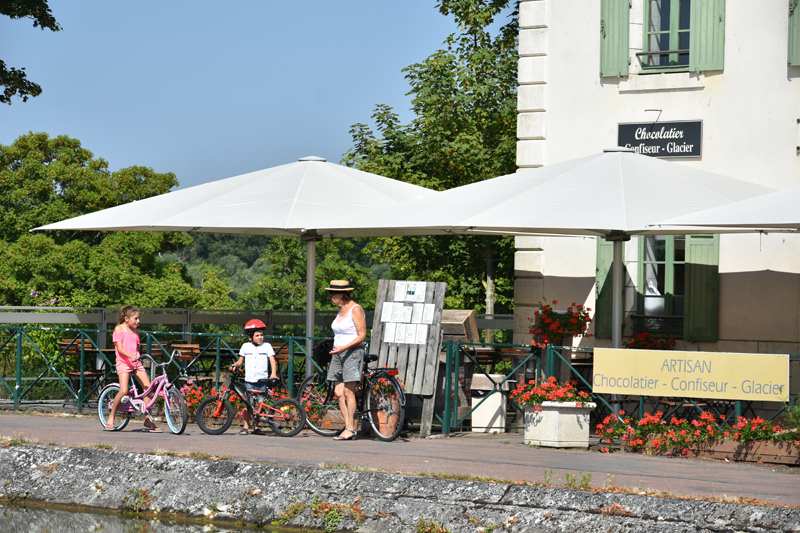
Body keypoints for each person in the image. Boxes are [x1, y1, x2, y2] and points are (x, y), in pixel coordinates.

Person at [106, 305, 161, 432]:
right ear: (126, 318)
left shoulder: (135, 331)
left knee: (148, 388)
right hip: (123, 363)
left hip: (136, 363)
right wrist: (131, 356)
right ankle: (112, 415)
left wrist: (136, 357)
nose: (138, 321)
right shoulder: (119, 329)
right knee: (124, 390)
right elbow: (120, 349)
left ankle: (148, 419)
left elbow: (135, 348)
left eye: (139, 319)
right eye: (135, 319)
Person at [325, 280, 367, 441]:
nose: (330, 298)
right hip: (338, 352)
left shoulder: (355, 309)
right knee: (338, 392)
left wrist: (344, 348)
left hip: (352, 352)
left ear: (342, 294)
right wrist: (338, 349)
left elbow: (362, 335)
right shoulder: (340, 310)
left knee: (349, 392)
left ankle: (351, 428)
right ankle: (349, 425)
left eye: (332, 294)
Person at [231, 318, 277, 435]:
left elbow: (272, 360)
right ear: (250, 337)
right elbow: (240, 361)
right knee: (248, 405)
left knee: (258, 405)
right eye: (257, 335)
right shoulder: (246, 346)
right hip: (250, 380)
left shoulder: (267, 346)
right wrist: (235, 365)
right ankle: (245, 427)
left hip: (262, 381)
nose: (260, 337)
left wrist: (273, 373)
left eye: (261, 335)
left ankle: (256, 427)